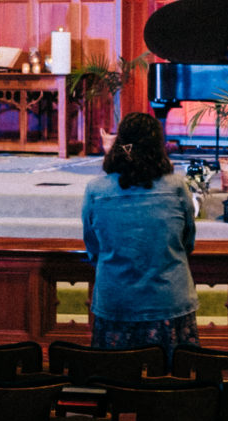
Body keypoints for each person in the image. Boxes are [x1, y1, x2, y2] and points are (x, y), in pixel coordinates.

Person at [83, 111, 199, 362]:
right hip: (168, 301)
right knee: (171, 388)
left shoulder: (96, 190)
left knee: (115, 384)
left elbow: (93, 248)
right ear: (159, 146)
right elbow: (187, 242)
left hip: (117, 303)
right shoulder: (177, 186)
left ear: (119, 143)